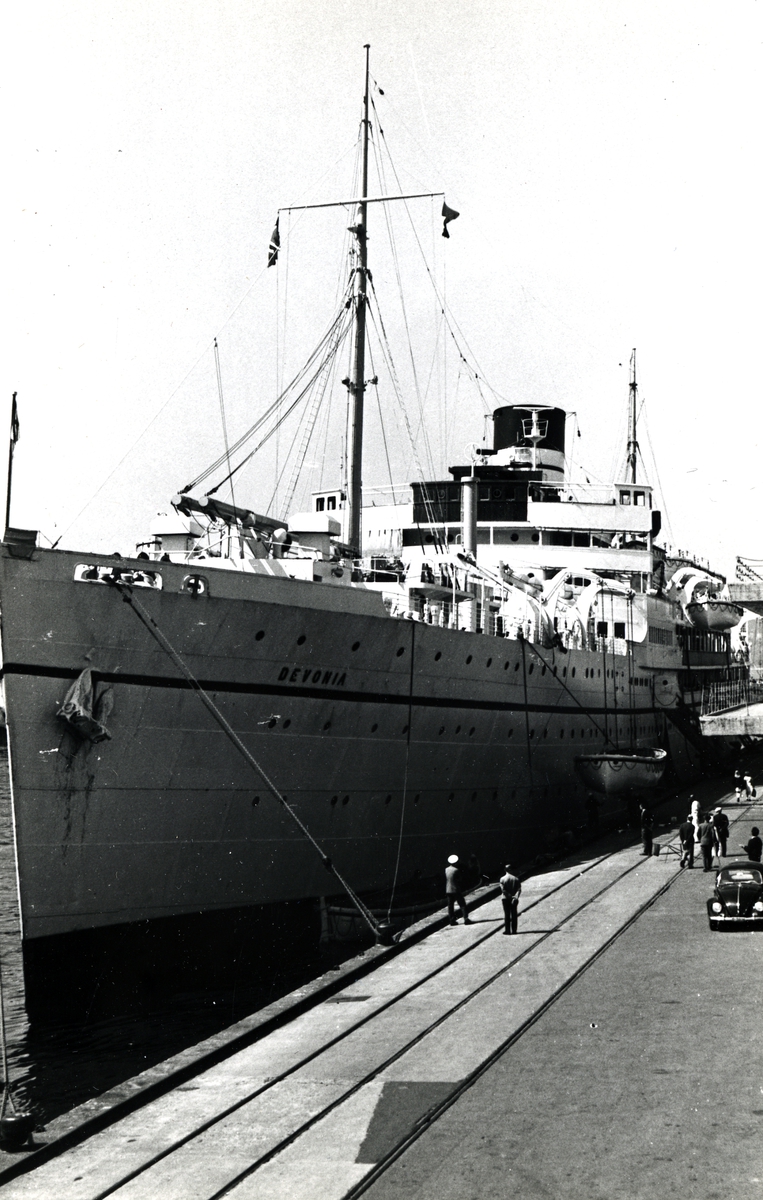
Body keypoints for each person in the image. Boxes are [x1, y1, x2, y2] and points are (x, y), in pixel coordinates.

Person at [445, 854, 472, 925]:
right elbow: (460, 879)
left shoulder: (446, 869)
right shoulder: (456, 870)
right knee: (462, 904)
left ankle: (452, 920)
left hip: (448, 890)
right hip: (455, 889)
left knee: (450, 906)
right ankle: (466, 919)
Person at [499, 864, 521, 934]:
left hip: (505, 899)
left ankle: (507, 930)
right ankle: (514, 930)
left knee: (507, 914)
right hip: (514, 899)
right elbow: (519, 890)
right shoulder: (516, 879)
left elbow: (503, 890)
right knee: (514, 914)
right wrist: (515, 897)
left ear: (505, 870)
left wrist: (509, 896)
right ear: (511, 870)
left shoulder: (502, 879)